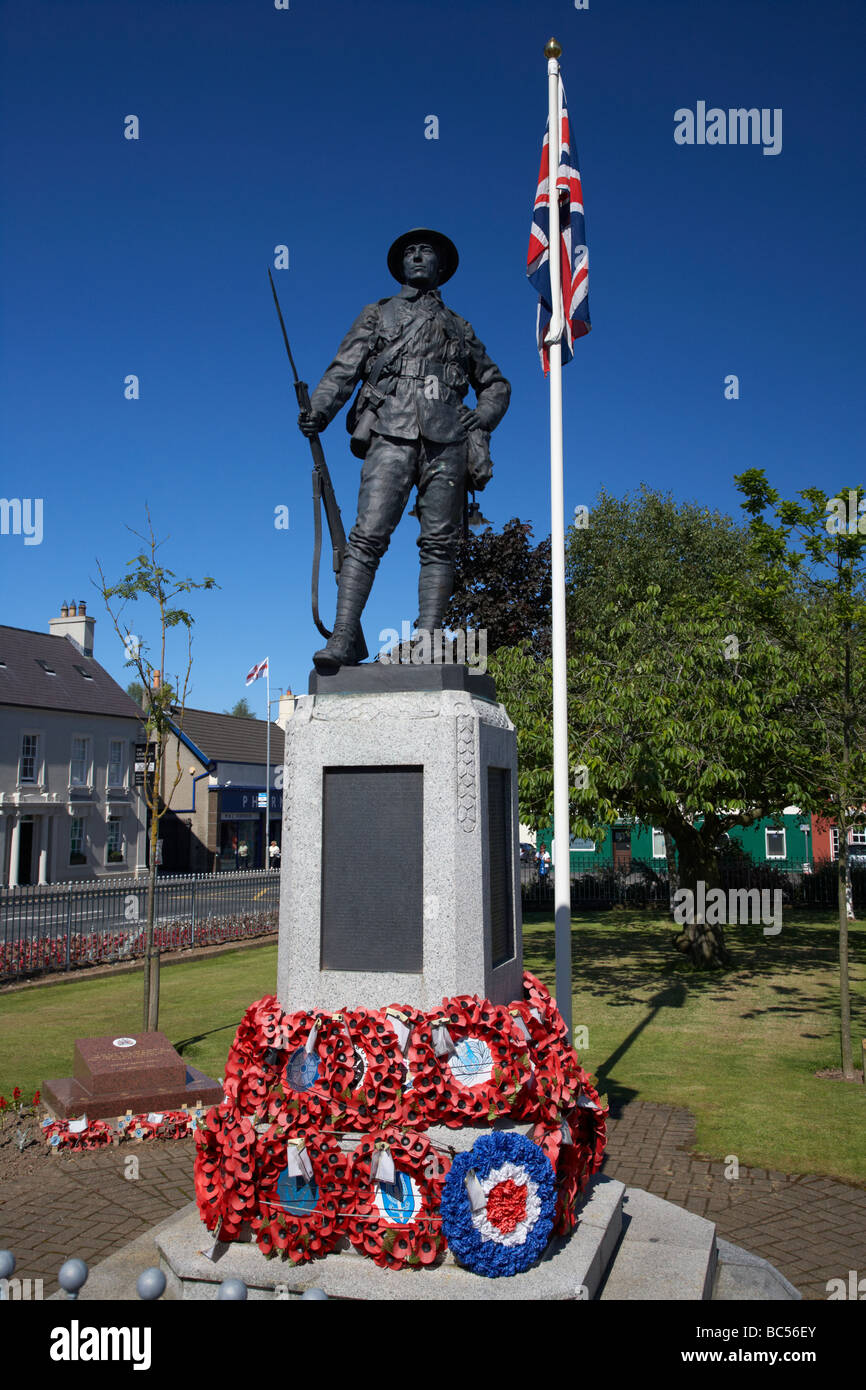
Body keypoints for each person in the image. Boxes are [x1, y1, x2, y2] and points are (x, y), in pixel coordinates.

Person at [298, 228, 511, 672]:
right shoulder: (377, 314)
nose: (417, 257)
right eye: (410, 252)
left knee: (440, 545)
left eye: (426, 252)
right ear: (400, 265)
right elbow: (344, 370)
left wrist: (482, 416)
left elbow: (495, 384)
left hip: (447, 439)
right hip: (391, 431)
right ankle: (342, 637)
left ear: (441, 267)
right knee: (367, 535)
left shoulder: (459, 327)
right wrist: (319, 410)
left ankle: (429, 638)